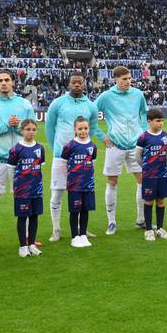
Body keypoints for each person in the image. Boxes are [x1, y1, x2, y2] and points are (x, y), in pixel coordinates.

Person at [0, 69, 36, 252]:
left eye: (7, 80)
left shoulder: (23, 103)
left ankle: (28, 237)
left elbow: (32, 128)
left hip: (21, 160)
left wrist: (18, 127)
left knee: (25, 198)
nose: (4, 83)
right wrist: (5, 126)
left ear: (13, 82)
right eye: (0, 80)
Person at [45, 73, 100, 242]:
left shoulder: (91, 106)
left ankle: (81, 230)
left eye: (80, 82)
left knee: (82, 193)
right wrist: (56, 149)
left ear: (84, 85)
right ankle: (56, 229)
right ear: (68, 84)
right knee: (57, 193)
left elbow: (93, 128)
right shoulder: (58, 103)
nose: (77, 85)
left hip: (82, 160)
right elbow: (49, 127)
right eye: (73, 82)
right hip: (61, 158)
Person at [95, 65, 149, 234]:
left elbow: (143, 115)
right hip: (115, 145)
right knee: (112, 182)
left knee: (143, 181)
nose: (128, 82)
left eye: (129, 78)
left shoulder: (138, 94)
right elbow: (90, 115)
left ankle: (141, 220)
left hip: (136, 145)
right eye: (124, 79)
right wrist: (101, 135)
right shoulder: (106, 97)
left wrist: (144, 134)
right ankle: (111, 222)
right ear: (115, 80)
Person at [5, 119, 46, 258]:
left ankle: (32, 244)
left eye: (33, 129)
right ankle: (23, 246)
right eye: (28, 129)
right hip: (22, 189)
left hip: (36, 189)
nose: (31, 132)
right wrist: (12, 186)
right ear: (22, 130)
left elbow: (40, 168)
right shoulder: (16, 149)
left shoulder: (40, 148)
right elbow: (10, 168)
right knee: (23, 217)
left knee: (34, 216)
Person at [61, 117, 98, 248]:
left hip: (88, 184)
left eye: (86, 128)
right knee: (74, 211)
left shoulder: (92, 146)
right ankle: (74, 237)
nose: (83, 131)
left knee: (85, 210)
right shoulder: (70, 146)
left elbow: (91, 164)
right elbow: (64, 165)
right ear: (75, 130)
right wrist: (68, 181)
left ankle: (83, 235)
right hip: (74, 185)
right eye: (80, 129)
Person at [136, 109, 167, 241]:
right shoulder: (143, 137)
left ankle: (160, 228)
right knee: (149, 201)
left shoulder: (166, 136)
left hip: (162, 174)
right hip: (149, 175)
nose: (160, 123)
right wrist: (146, 168)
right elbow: (137, 157)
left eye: (162, 121)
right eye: (158, 121)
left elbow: (166, 153)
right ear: (149, 121)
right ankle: (149, 229)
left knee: (161, 201)